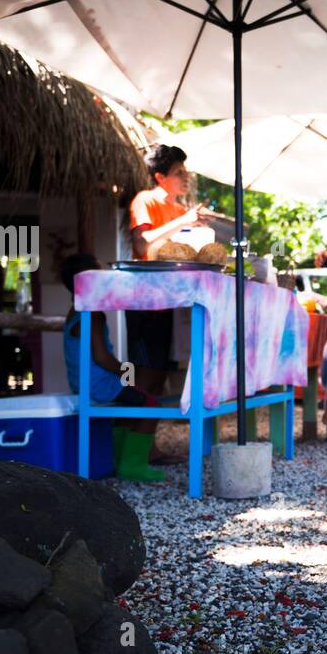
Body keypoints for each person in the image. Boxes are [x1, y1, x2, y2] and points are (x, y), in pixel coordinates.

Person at [127, 144, 216, 463]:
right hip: (146, 301)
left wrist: (197, 229)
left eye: (185, 171)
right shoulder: (145, 200)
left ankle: (143, 449)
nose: (185, 177)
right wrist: (184, 222)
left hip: (174, 304)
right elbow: (142, 242)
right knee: (143, 375)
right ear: (160, 177)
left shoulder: (181, 211)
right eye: (178, 173)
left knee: (160, 374)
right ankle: (130, 452)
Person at [61, 252, 164, 482]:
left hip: (84, 383)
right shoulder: (92, 314)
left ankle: (118, 458)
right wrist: (127, 371)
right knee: (151, 403)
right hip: (98, 385)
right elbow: (102, 357)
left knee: (130, 406)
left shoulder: (74, 311)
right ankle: (134, 465)